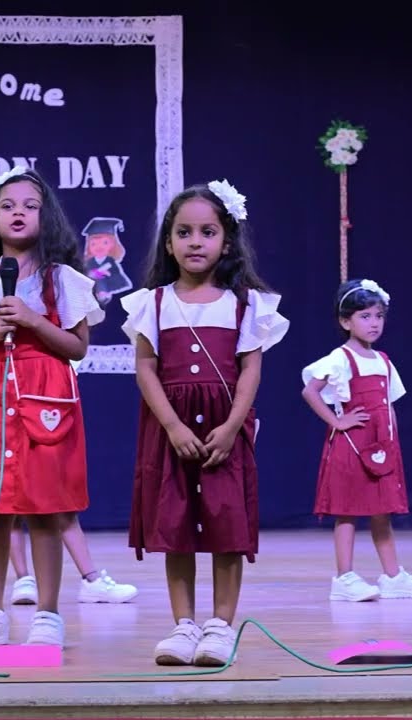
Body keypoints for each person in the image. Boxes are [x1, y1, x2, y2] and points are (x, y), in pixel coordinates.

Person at [0, 166, 102, 647]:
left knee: (46, 508)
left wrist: (31, 320)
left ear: (45, 218)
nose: (18, 213)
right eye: (7, 206)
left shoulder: (63, 280)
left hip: (45, 399)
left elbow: (77, 346)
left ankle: (47, 614)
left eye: (30, 205)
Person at [122, 180, 288, 666]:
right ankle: (183, 625)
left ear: (227, 241)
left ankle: (220, 626)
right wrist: (172, 426)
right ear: (169, 243)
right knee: (174, 524)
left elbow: (251, 369)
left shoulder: (246, 305)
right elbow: (146, 368)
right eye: (184, 232)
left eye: (208, 231)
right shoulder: (151, 303)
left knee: (225, 523)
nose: (196, 241)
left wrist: (234, 424)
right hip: (171, 430)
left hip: (223, 429)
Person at [0, 370, 139, 604]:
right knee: (6, 511)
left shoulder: (48, 359)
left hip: (39, 433)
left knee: (57, 510)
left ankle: (85, 580)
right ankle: (26, 580)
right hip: (11, 435)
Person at [301, 279, 412, 602]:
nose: (373, 323)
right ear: (345, 321)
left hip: (381, 448)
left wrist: (393, 440)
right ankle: (344, 578)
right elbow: (310, 391)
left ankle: (393, 576)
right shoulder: (340, 358)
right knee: (347, 511)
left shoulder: (384, 361)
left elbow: (389, 404)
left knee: (381, 511)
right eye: (364, 316)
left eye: (378, 316)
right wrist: (337, 421)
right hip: (352, 445)